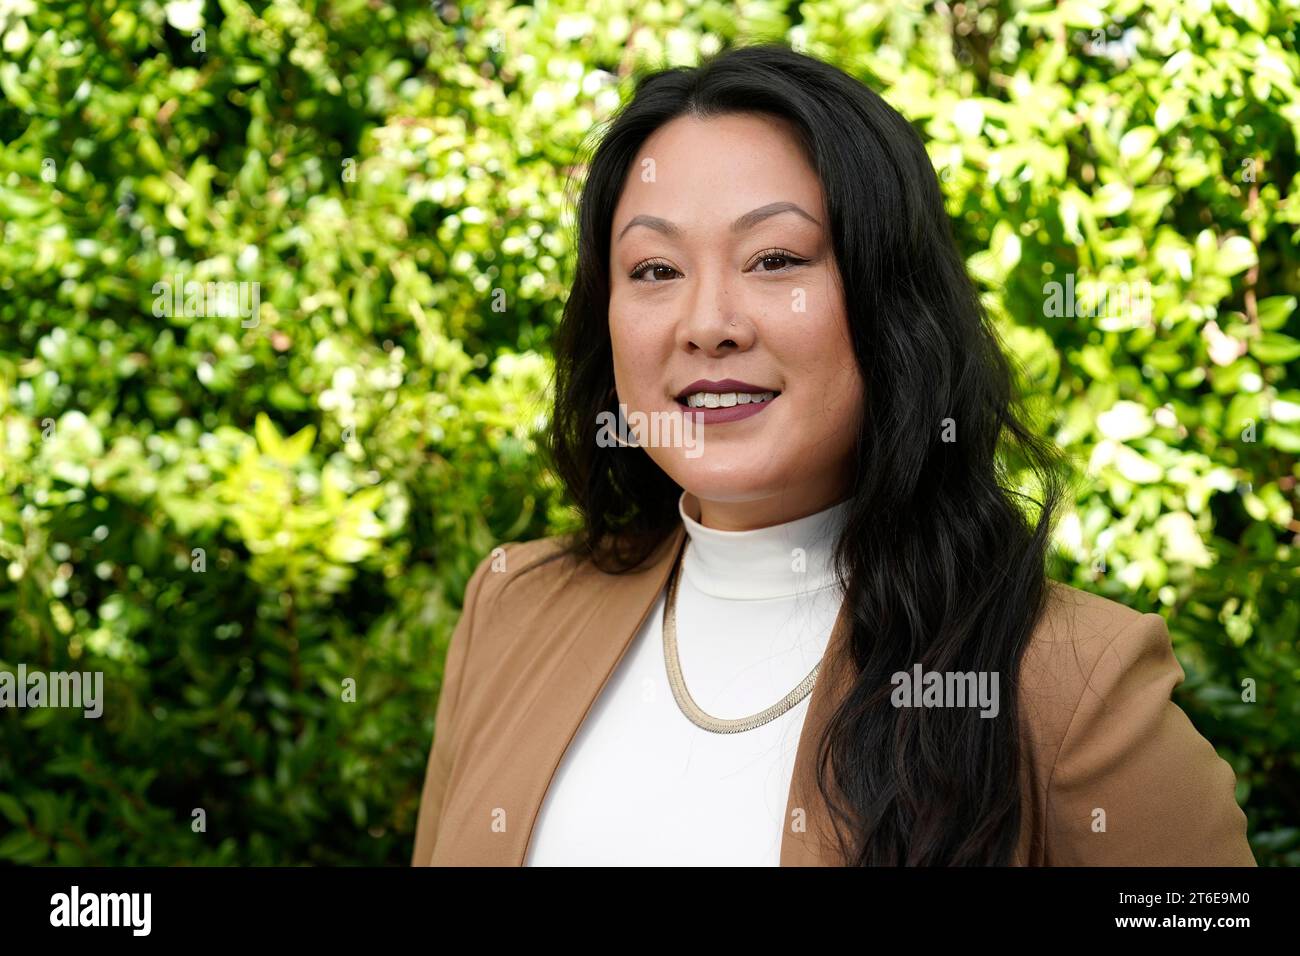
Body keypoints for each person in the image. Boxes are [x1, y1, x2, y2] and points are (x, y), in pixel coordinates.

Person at [411, 42, 1255, 866]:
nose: (709, 323)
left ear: (890, 301)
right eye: (656, 268)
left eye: (776, 259)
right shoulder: (510, 610)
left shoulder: (1068, 684)